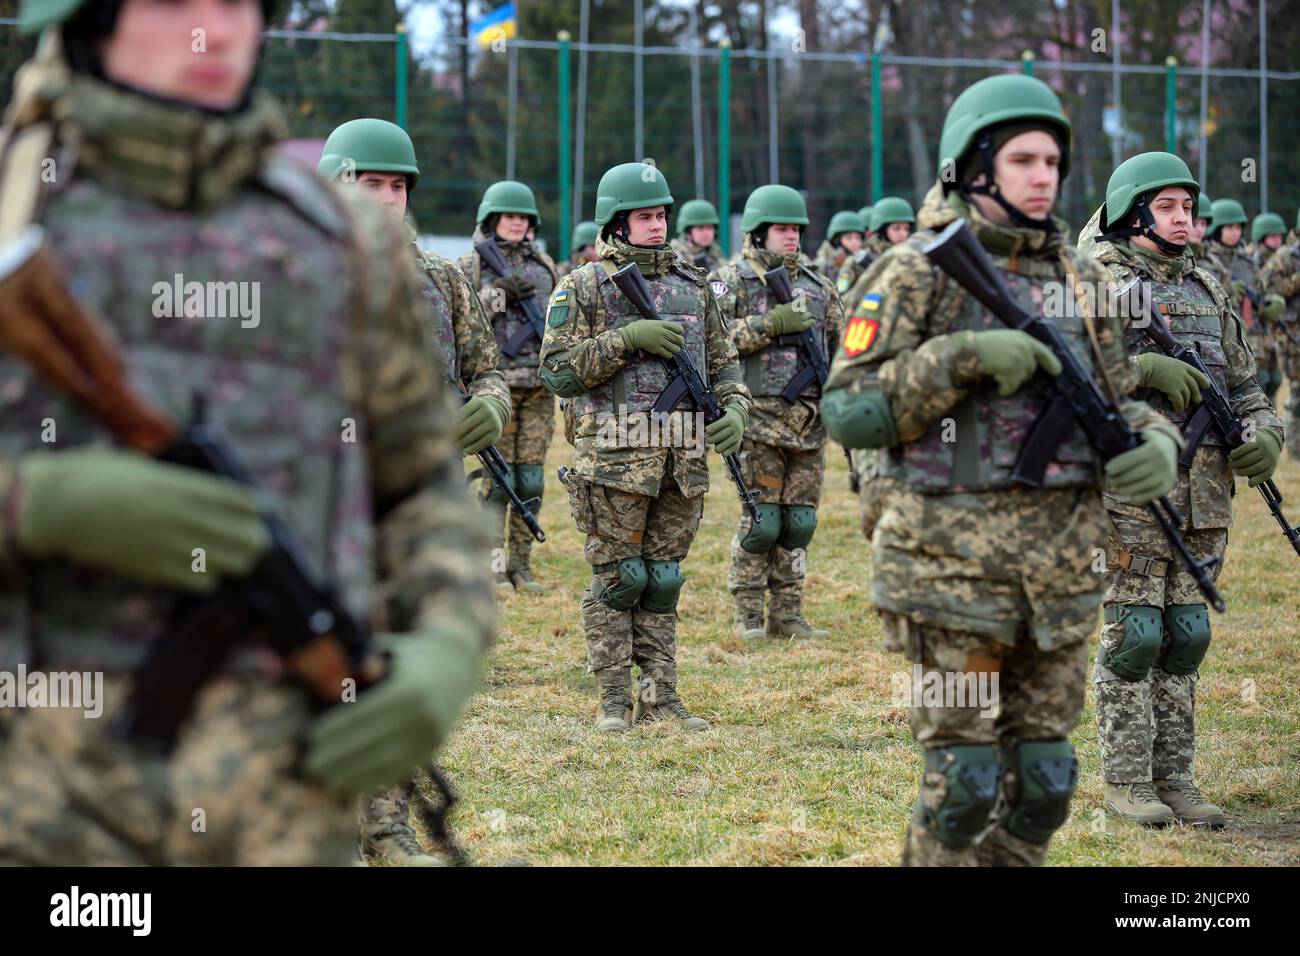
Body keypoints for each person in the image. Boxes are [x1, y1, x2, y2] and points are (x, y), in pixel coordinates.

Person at [0, 0, 494, 865]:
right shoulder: (15, 214)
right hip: (42, 810)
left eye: (237, 3)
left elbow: (421, 487)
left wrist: (448, 642)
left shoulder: (346, 242)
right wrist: (34, 503)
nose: (215, 30)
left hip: (284, 810)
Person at [821, 74, 1179, 866]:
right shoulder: (915, 273)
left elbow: (1121, 398)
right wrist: (962, 358)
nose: (1044, 175)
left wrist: (1157, 441)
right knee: (965, 785)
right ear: (973, 166)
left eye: (1053, 159)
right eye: (1023, 158)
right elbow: (847, 409)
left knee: (1045, 781)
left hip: (1060, 577)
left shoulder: (1085, 283)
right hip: (946, 575)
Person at [318, 117, 510, 864]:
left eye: (398, 186)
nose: (388, 199)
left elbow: (484, 364)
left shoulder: (444, 278)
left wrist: (490, 405)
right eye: (372, 184)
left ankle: (389, 823)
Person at [1080, 152, 1282, 828]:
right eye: (1167, 206)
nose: (1184, 218)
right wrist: (1141, 368)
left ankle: (1178, 780)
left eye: (1188, 207)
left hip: (1206, 494)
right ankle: (1128, 783)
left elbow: (1247, 384)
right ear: (1132, 211)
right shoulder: (1095, 281)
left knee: (1186, 634)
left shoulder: (1207, 283)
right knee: (1136, 634)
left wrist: (1265, 432)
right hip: (1129, 490)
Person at [537, 162, 751, 734]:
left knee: (661, 579)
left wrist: (735, 410)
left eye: (661, 215)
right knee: (620, 577)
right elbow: (556, 372)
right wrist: (624, 340)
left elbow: (724, 360)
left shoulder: (693, 284)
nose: (657, 225)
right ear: (617, 222)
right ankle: (612, 697)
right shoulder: (583, 285)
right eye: (644, 216)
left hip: (681, 459)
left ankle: (660, 696)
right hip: (612, 456)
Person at [712, 184, 845, 640]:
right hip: (757, 423)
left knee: (799, 524)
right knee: (762, 520)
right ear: (759, 231)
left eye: (796, 229)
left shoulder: (819, 287)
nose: (791, 237)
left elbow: (842, 351)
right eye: (781, 228)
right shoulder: (730, 281)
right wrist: (769, 325)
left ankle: (788, 612)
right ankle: (747, 610)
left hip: (809, 425)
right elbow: (710, 342)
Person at [459, 180, 559, 594]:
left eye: (522, 217)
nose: (516, 223)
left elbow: (557, 319)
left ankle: (521, 565)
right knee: (497, 481)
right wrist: (496, 294)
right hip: (495, 388)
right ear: (492, 220)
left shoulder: (544, 266)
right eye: (508, 216)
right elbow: (460, 316)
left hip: (537, 387)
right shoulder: (473, 265)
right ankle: (493, 566)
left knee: (530, 480)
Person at [1260, 214, 1300, 458]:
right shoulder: (1284, 257)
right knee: (1296, 392)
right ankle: (1295, 450)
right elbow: (1270, 292)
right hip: (1292, 336)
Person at [669, 198, 726, 272]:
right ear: (687, 231)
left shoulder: (716, 253)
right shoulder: (674, 258)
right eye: (700, 228)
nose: (706, 233)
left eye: (709, 228)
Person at [812, 209, 867, 284]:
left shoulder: (864, 258)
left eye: (858, 238)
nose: (855, 242)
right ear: (837, 240)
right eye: (849, 238)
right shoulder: (824, 262)